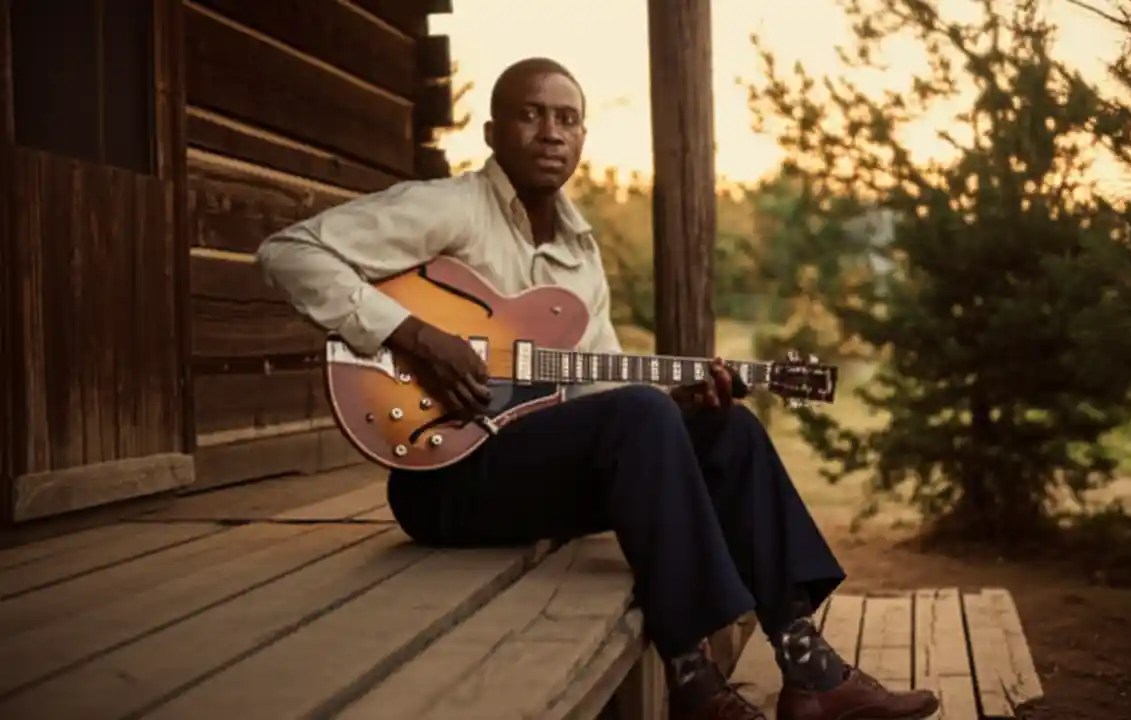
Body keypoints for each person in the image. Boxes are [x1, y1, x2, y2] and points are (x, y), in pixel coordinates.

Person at [256, 57, 940, 720]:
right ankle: (694, 682)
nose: (550, 133)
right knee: (640, 414)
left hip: (534, 479)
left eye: (566, 119)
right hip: (443, 478)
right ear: (493, 133)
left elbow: (602, 397)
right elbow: (288, 252)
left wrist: (679, 408)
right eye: (530, 116)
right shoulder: (449, 209)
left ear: (582, 136)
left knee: (725, 429)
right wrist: (417, 336)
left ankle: (810, 670)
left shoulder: (580, 253)